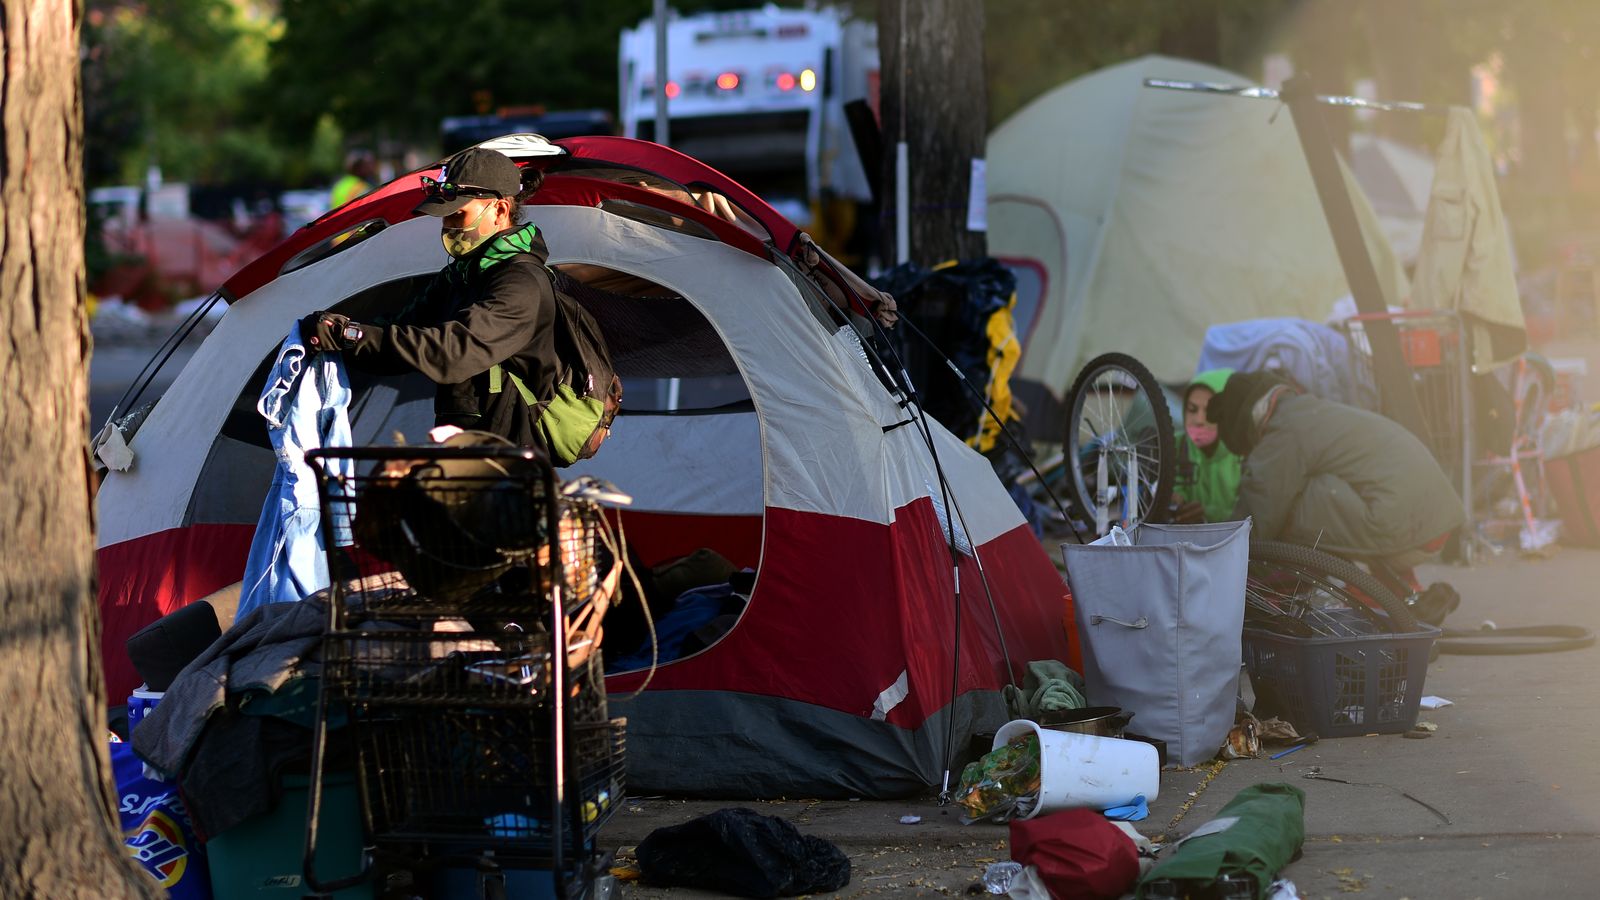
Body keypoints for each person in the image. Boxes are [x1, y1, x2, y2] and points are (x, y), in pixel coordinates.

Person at [299, 147, 615, 457]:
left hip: (509, 462)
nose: (448, 226)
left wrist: (352, 335)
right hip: (464, 452)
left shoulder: (521, 283)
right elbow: (402, 331)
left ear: (500, 211)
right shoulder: (462, 275)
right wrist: (341, 335)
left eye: (458, 215)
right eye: (444, 218)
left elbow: (454, 351)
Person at [1208, 370, 1464, 572]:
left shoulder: (1285, 429)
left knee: (1289, 503)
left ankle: (1309, 586)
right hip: (1434, 524)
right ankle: (1391, 582)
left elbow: (1257, 511)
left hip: (1404, 531)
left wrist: (1211, 553)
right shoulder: (1307, 411)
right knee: (1325, 483)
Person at [1173, 368, 1241, 523]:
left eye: (1209, 410)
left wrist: (1207, 514)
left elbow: (1255, 514)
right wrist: (1175, 500)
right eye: (1192, 409)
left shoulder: (1245, 455)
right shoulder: (1175, 446)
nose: (1199, 420)